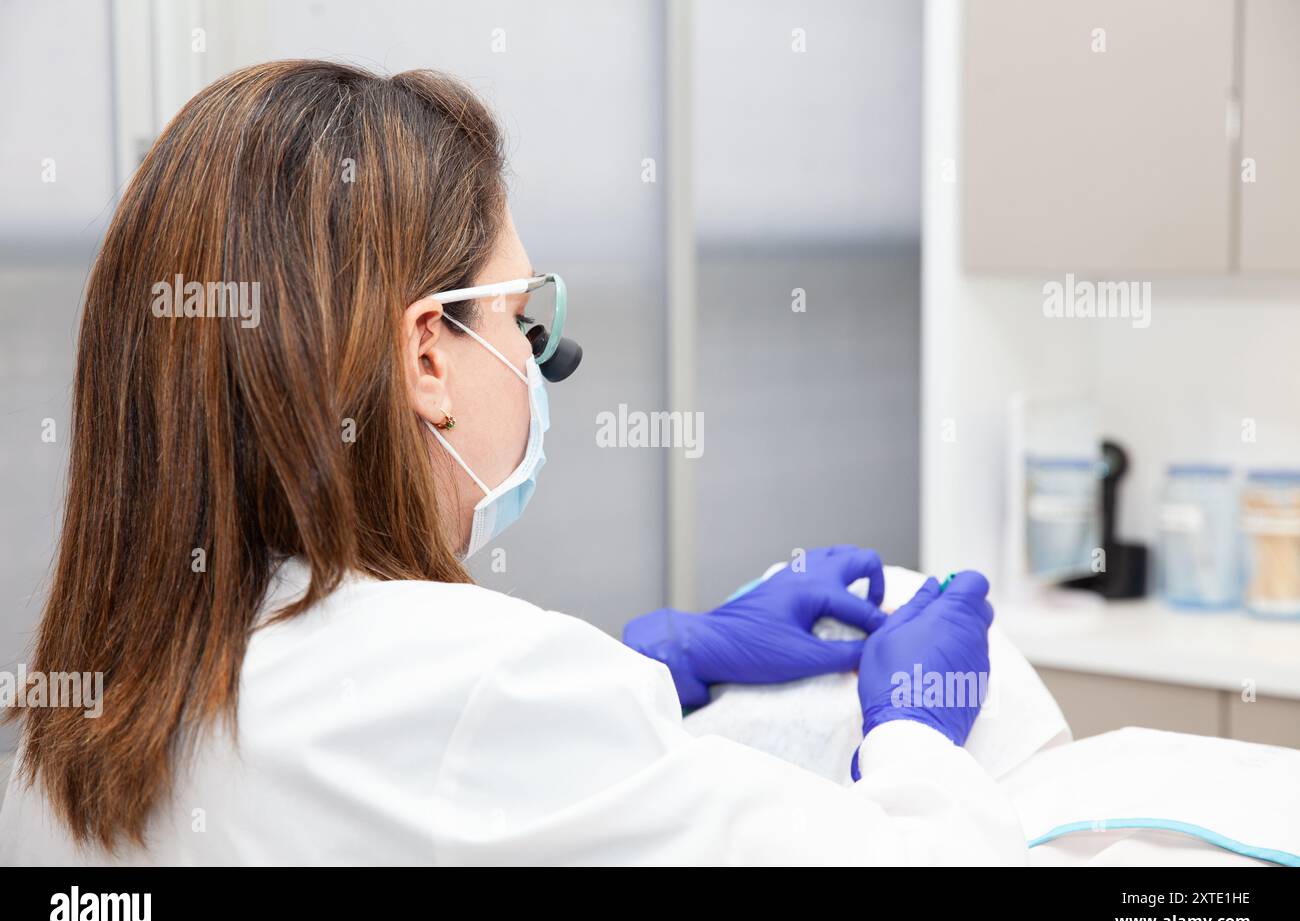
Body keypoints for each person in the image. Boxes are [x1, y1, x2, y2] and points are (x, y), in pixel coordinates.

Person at [0, 61, 1023, 865]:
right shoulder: (486, 686)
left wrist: (647, 673)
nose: (544, 360)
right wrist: (917, 734)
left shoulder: (61, 737)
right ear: (427, 354)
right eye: (519, 316)